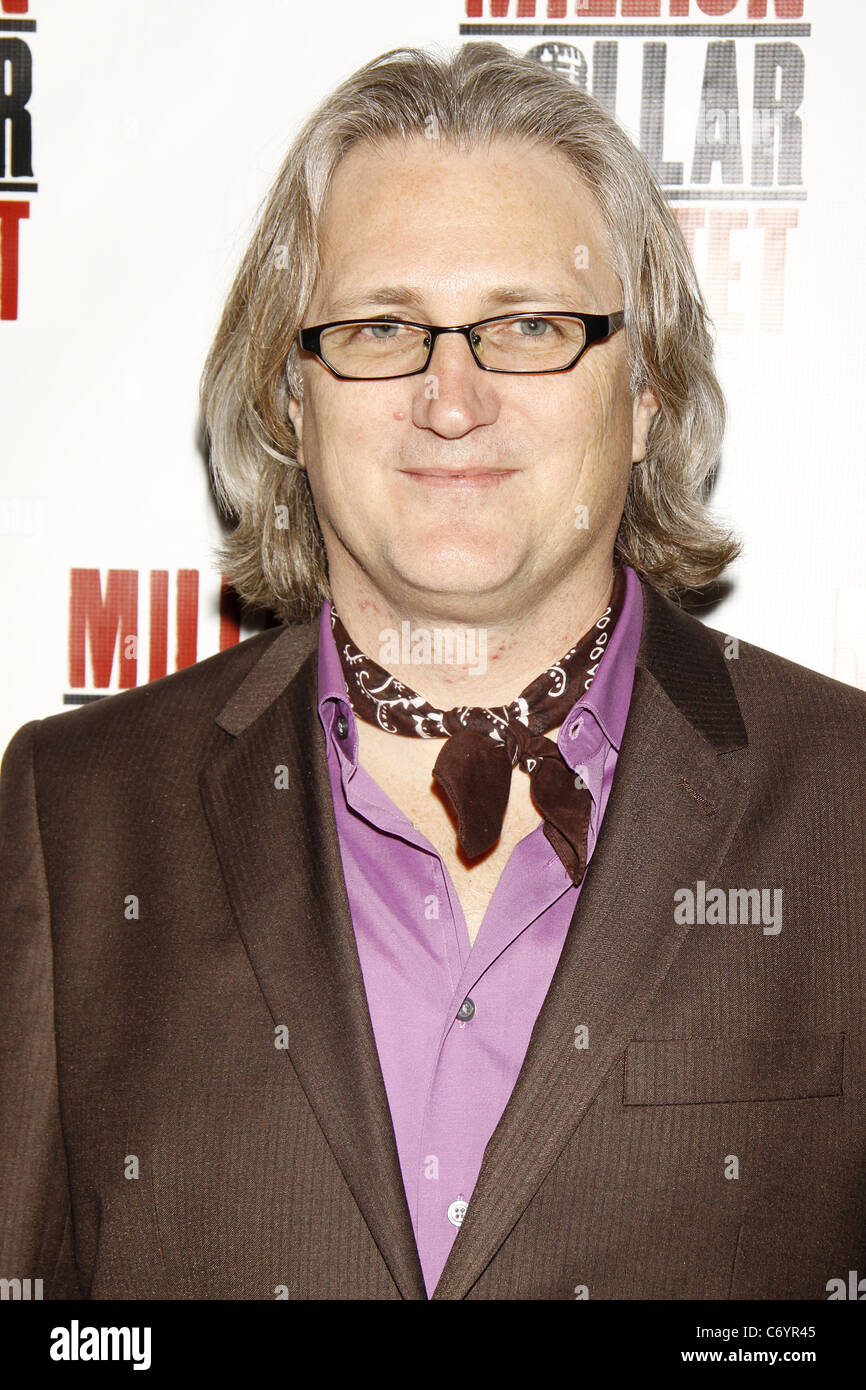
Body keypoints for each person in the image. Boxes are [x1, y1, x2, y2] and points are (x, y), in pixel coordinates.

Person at [1, 41, 864, 1303]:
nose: (449, 398)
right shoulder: (69, 816)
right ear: (289, 401)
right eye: (380, 326)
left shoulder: (847, 803)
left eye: (527, 324)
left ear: (646, 394)